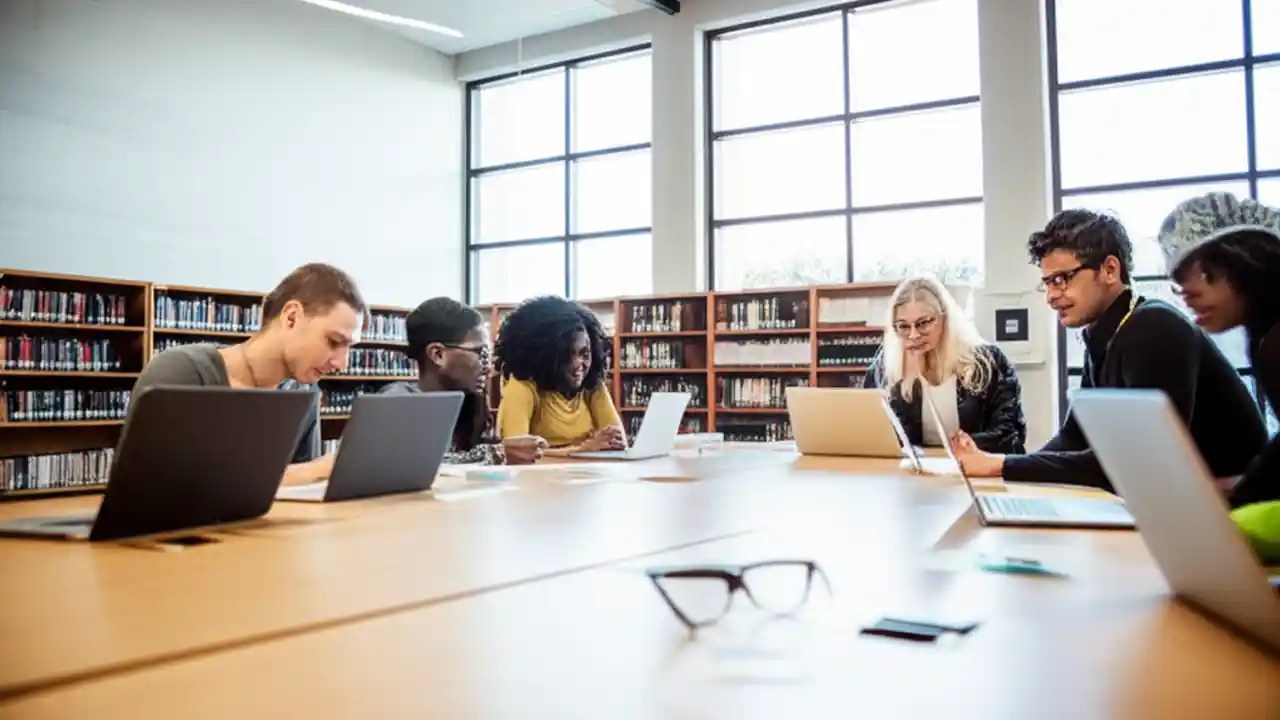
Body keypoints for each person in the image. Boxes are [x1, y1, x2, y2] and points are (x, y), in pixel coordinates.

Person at [950, 209, 1267, 490]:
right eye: (1046, 283)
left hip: (1236, 508)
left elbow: (1133, 463)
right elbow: (1074, 438)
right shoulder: (1105, 334)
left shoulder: (1153, 328)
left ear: (1110, 270)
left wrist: (1001, 465)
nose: (1050, 296)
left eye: (1062, 279)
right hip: (1180, 503)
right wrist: (1004, 466)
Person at [130, 263, 366, 485]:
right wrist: (318, 470)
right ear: (291, 316)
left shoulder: (304, 394)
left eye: (349, 348)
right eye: (334, 342)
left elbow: (298, 498)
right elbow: (166, 485)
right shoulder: (182, 372)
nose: (342, 364)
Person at [1160, 191, 1280, 509]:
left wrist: (1243, 494)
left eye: (1197, 272)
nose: (1186, 293)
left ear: (1242, 261)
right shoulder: (1266, 336)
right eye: (1178, 282)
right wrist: (1245, 484)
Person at [862, 276, 1026, 454]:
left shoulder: (987, 362)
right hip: (911, 474)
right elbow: (872, 432)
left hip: (978, 470)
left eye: (923, 323)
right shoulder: (884, 369)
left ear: (944, 318)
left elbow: (1008, 435)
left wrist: (959, 447)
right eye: (903, 327)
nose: (914, 335)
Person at [379, 297, 547, 465]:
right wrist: (497, 454)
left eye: (488, 355)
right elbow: (414, 465)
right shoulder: (396, 403)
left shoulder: (472, 401)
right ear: (438, 354)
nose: (488, 367)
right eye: (480, 353)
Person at [494, 296, 625, 455]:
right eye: (567, 355)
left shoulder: (592, 385)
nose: (578, 364)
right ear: (545, 355)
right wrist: (582, 450)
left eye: (585, 354)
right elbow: (515, 454)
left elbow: (618, 441)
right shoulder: (521, 387)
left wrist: (605, 444)